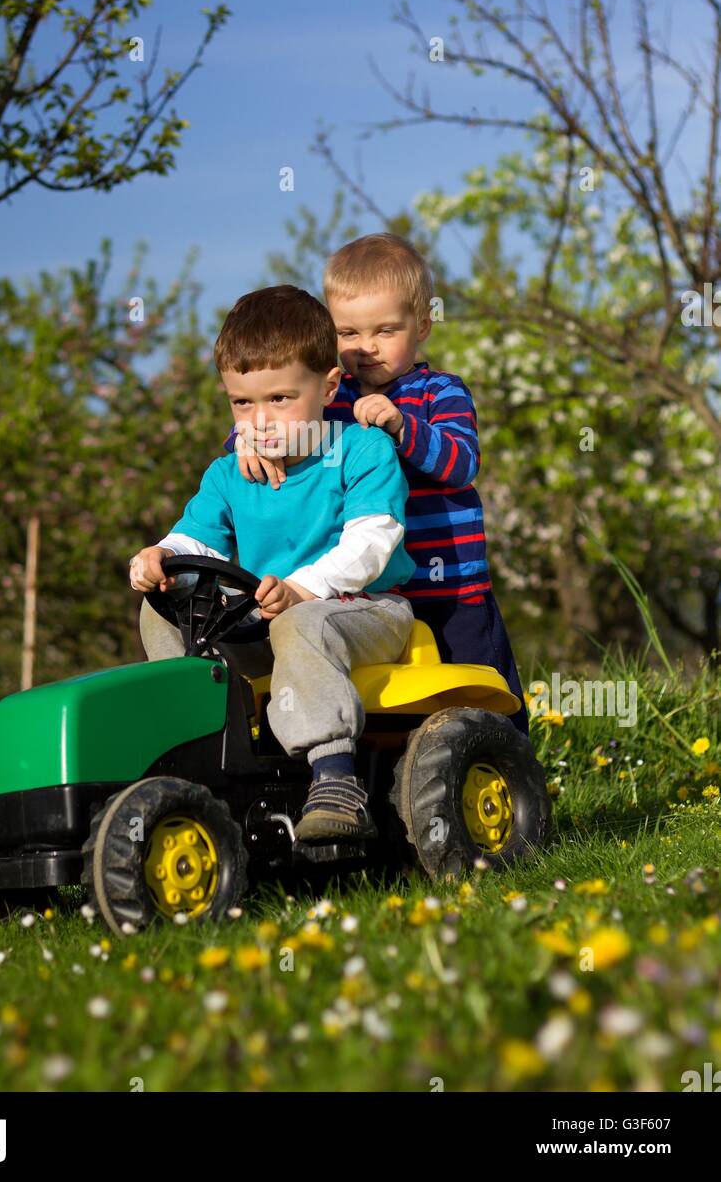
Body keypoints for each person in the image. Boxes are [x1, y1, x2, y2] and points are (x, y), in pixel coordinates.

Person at [128, 284, 416, 842]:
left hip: (364, 612)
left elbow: (371, 543)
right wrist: (161, 558)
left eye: (280, 400)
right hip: (265, 616)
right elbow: (197, 540)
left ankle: (335, 777)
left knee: (301, 621)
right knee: (163, 607)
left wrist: (302, 589)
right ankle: (201, 750)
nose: (258, 420)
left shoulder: (361, 450)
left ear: (329, 386)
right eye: (243, 403)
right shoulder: (228, 474)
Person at [228, 233, 530, 734]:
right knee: (387, 704)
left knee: (484, 697)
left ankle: (518, 783)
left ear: (423, 324)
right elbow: (275, 415)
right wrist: (247, 441)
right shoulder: (329, 397)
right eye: (348, 333)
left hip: (448, 585)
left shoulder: (440, 391)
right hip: (364, 593)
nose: (365, 348)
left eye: (385, 331)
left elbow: (461, 463)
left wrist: (403, 428)